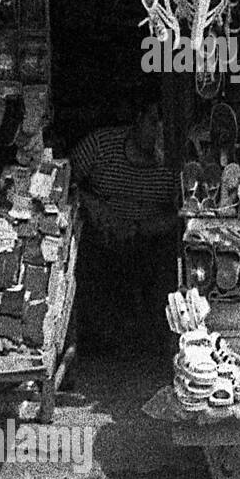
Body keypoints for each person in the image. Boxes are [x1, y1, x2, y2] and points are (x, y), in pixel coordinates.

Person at [72, 94, 180, 351]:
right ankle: (96, 343)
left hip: (148, 239)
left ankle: (152, 343)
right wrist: (99, 211)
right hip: (101, 235)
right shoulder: (100, 145)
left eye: (166, 127)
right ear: (138, 120)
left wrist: (143, 228)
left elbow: (182, 213)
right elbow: (65, 181)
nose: (159, 133)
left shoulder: (173, 161)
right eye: (153, 122)